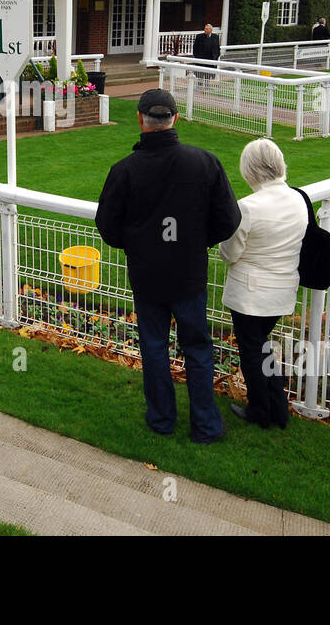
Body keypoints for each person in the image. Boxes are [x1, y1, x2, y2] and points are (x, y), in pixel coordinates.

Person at [95, 88, 240, 444]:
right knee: (196, 346)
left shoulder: (125, 170)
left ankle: (161, 419)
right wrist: (194, 242)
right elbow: (229, 220)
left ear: (140, 120)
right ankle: (205, 426)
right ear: (175, 118)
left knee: (154, 345)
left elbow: (108, 227)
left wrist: (141, 245)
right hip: (188, 273)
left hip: (148, 274)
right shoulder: (204, 162)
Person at [218, 139, 307, 429]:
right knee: (260, 347)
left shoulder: (248, 207)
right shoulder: (299, 199)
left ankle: (262, 410)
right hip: (282, 290)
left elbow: (229, 254)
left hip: (250, 294)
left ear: (249, 170)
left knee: (252, 351)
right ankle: (276, 408)